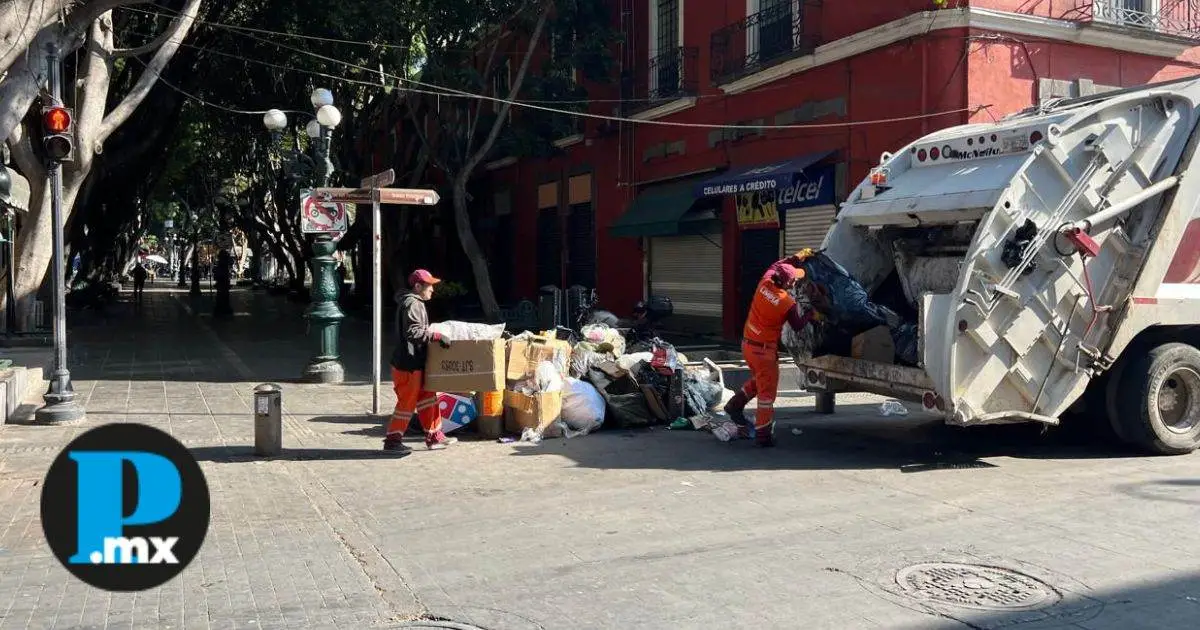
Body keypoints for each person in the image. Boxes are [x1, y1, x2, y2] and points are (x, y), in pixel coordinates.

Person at [724, 250, 823, 447]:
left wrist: (797, 257)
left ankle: (735, 405)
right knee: (766, 395)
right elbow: (797, 325)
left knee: (760, 379)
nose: (795, 282)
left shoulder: (765, 282)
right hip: (763, 351)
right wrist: (812, 314)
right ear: (787, 283)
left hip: (748, 345)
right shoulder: (786, 303)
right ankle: (763, 434)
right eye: (794, 280)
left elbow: (778, 264)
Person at [384, 269, 456, 453]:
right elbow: (413, 332)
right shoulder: (413, 304)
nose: (432, 289)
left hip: (414, 361)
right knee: (407, 404)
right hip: (408, 364)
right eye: (429, 285)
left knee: (428, 397)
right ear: (417, 286)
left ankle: (434, 436)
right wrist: (437, 335)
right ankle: (392, 441)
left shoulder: (413, 302)